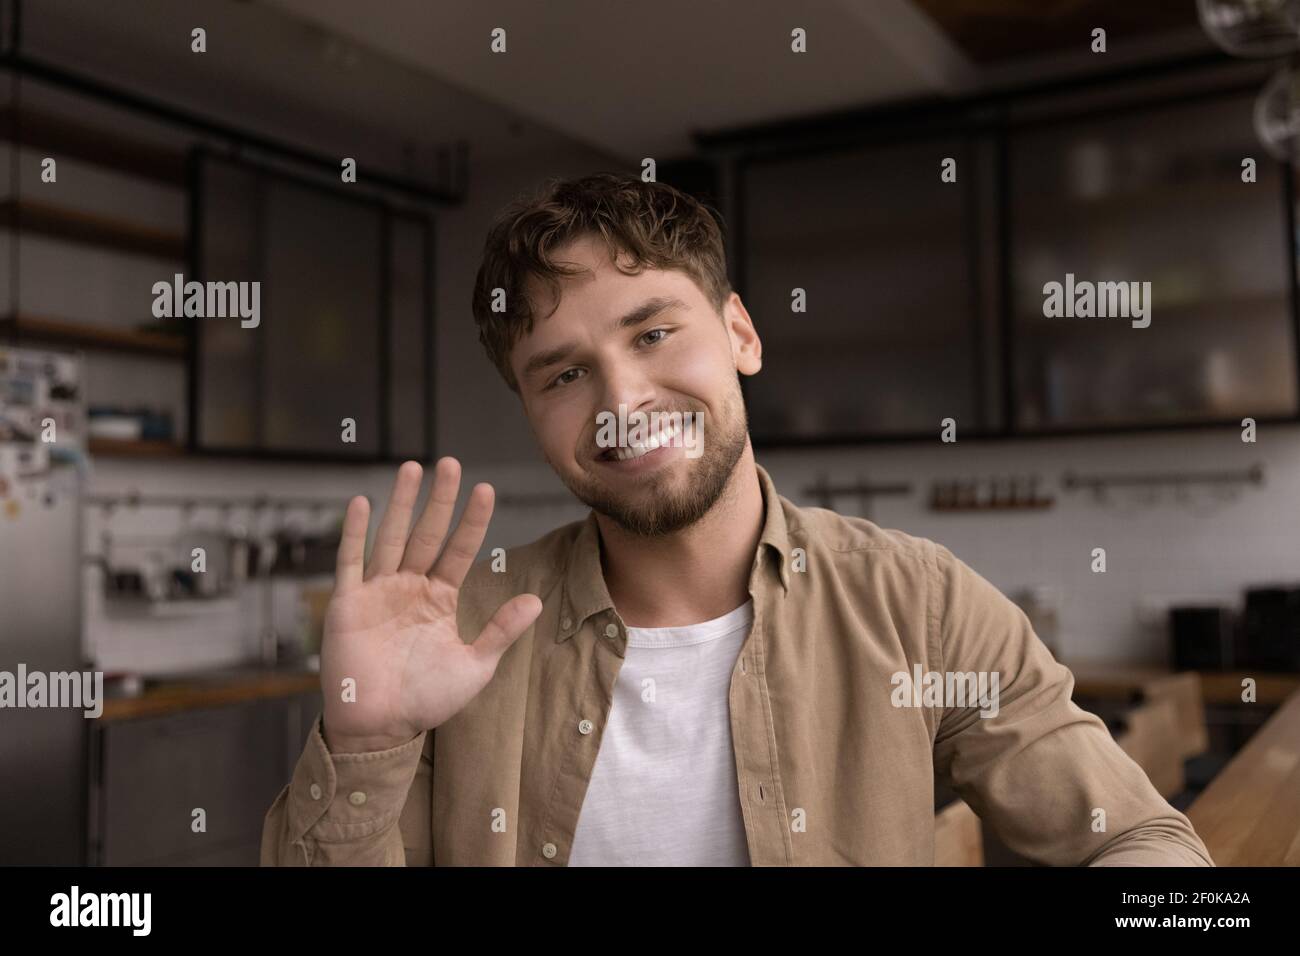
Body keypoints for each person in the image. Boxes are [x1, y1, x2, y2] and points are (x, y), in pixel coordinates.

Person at [261, 172, 1213, 866]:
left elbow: (1142, 845)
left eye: (654, 332)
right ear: (528, 407)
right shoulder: (461, 634)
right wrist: (362, 743)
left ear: (742, 334)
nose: (623, 400)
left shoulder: (918, 605)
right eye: (562, 372)